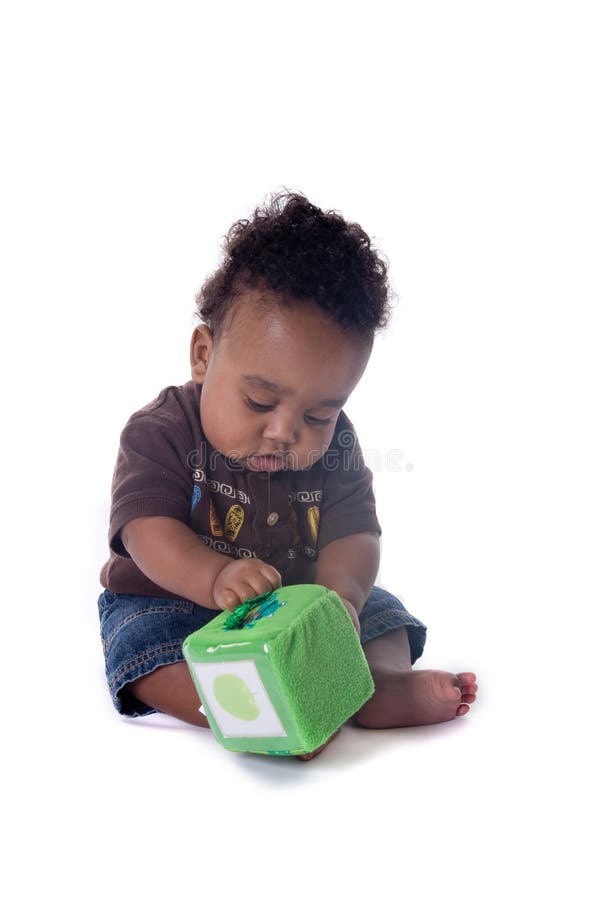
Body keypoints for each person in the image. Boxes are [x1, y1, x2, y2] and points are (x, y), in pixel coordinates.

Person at [98, 192, 477, 756]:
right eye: (258, 401)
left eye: (319, 414)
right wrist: (213, 577)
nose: (285, 431)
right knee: (144, 648)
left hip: (293, 598)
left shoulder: (336, 444)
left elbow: (355, 532)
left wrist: (340, 598)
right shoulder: (161, 430)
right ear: (203, 355)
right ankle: (254, 710)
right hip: (176, 599)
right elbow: (145, 531)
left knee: (382, 611)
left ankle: (369, 686)